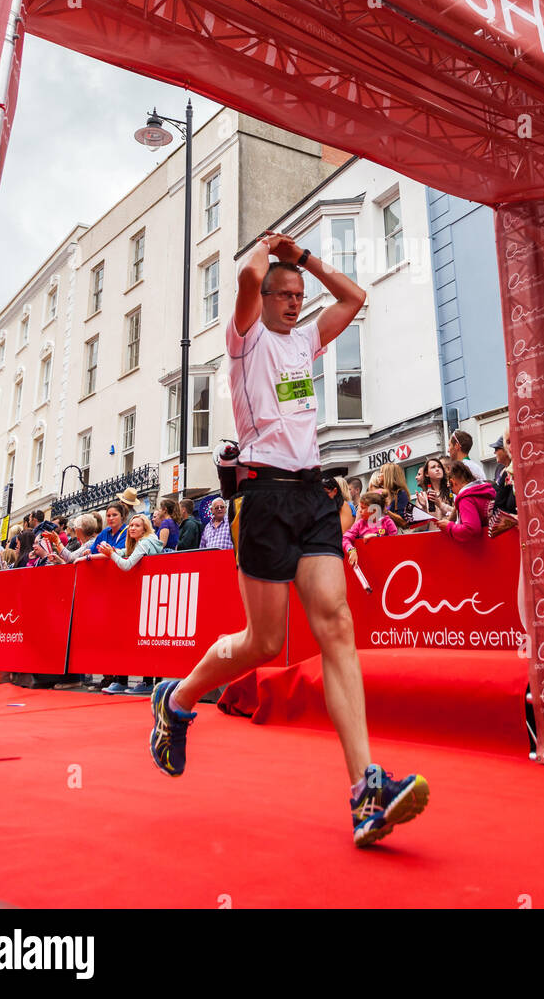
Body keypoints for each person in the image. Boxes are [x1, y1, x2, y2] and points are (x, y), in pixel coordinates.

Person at [148, 230, 429, 847]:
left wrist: (304, 259)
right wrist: (260, 250)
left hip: (311, 493)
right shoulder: (244, 340)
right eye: (286, 295)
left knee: (336, 625)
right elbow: (247, 281)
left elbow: (354, 299)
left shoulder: (306, 336)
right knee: (264, 641)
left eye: (299, 295)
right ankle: (178, 698)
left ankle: (366, 790)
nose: (295, 303)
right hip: (262, 495)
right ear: (265, 298)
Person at [435, 462, 496, 542]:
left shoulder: (466, 499)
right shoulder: (484, 491)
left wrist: (449, 526)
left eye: (450, 488)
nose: (453, 492)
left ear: (453, 482)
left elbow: (471, 530)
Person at [342, 491, 398, 567]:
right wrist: (351, 550)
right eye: (359, 507)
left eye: (363, 508)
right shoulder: (359, 524)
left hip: (386, 564)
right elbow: (345, 538)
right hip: (366, 566)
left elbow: (396, 544)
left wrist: (377, 537)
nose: (360, 511)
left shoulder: (388, 523)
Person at [100, 512, 164, 570]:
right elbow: (125, 551)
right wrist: (114, 551)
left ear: (144, 530)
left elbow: (127, 565)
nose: (133, 528)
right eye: (131, 525)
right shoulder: (138, 542)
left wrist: (111, 553)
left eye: (137, 526)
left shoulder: (145, 543)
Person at [371, 462, 412, 528]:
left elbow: (404, 521)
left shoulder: (401, 494)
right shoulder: (382, 495)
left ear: (389, 476)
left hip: (396, 536)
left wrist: (385, 511)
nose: (378, 475)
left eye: (381, 472)